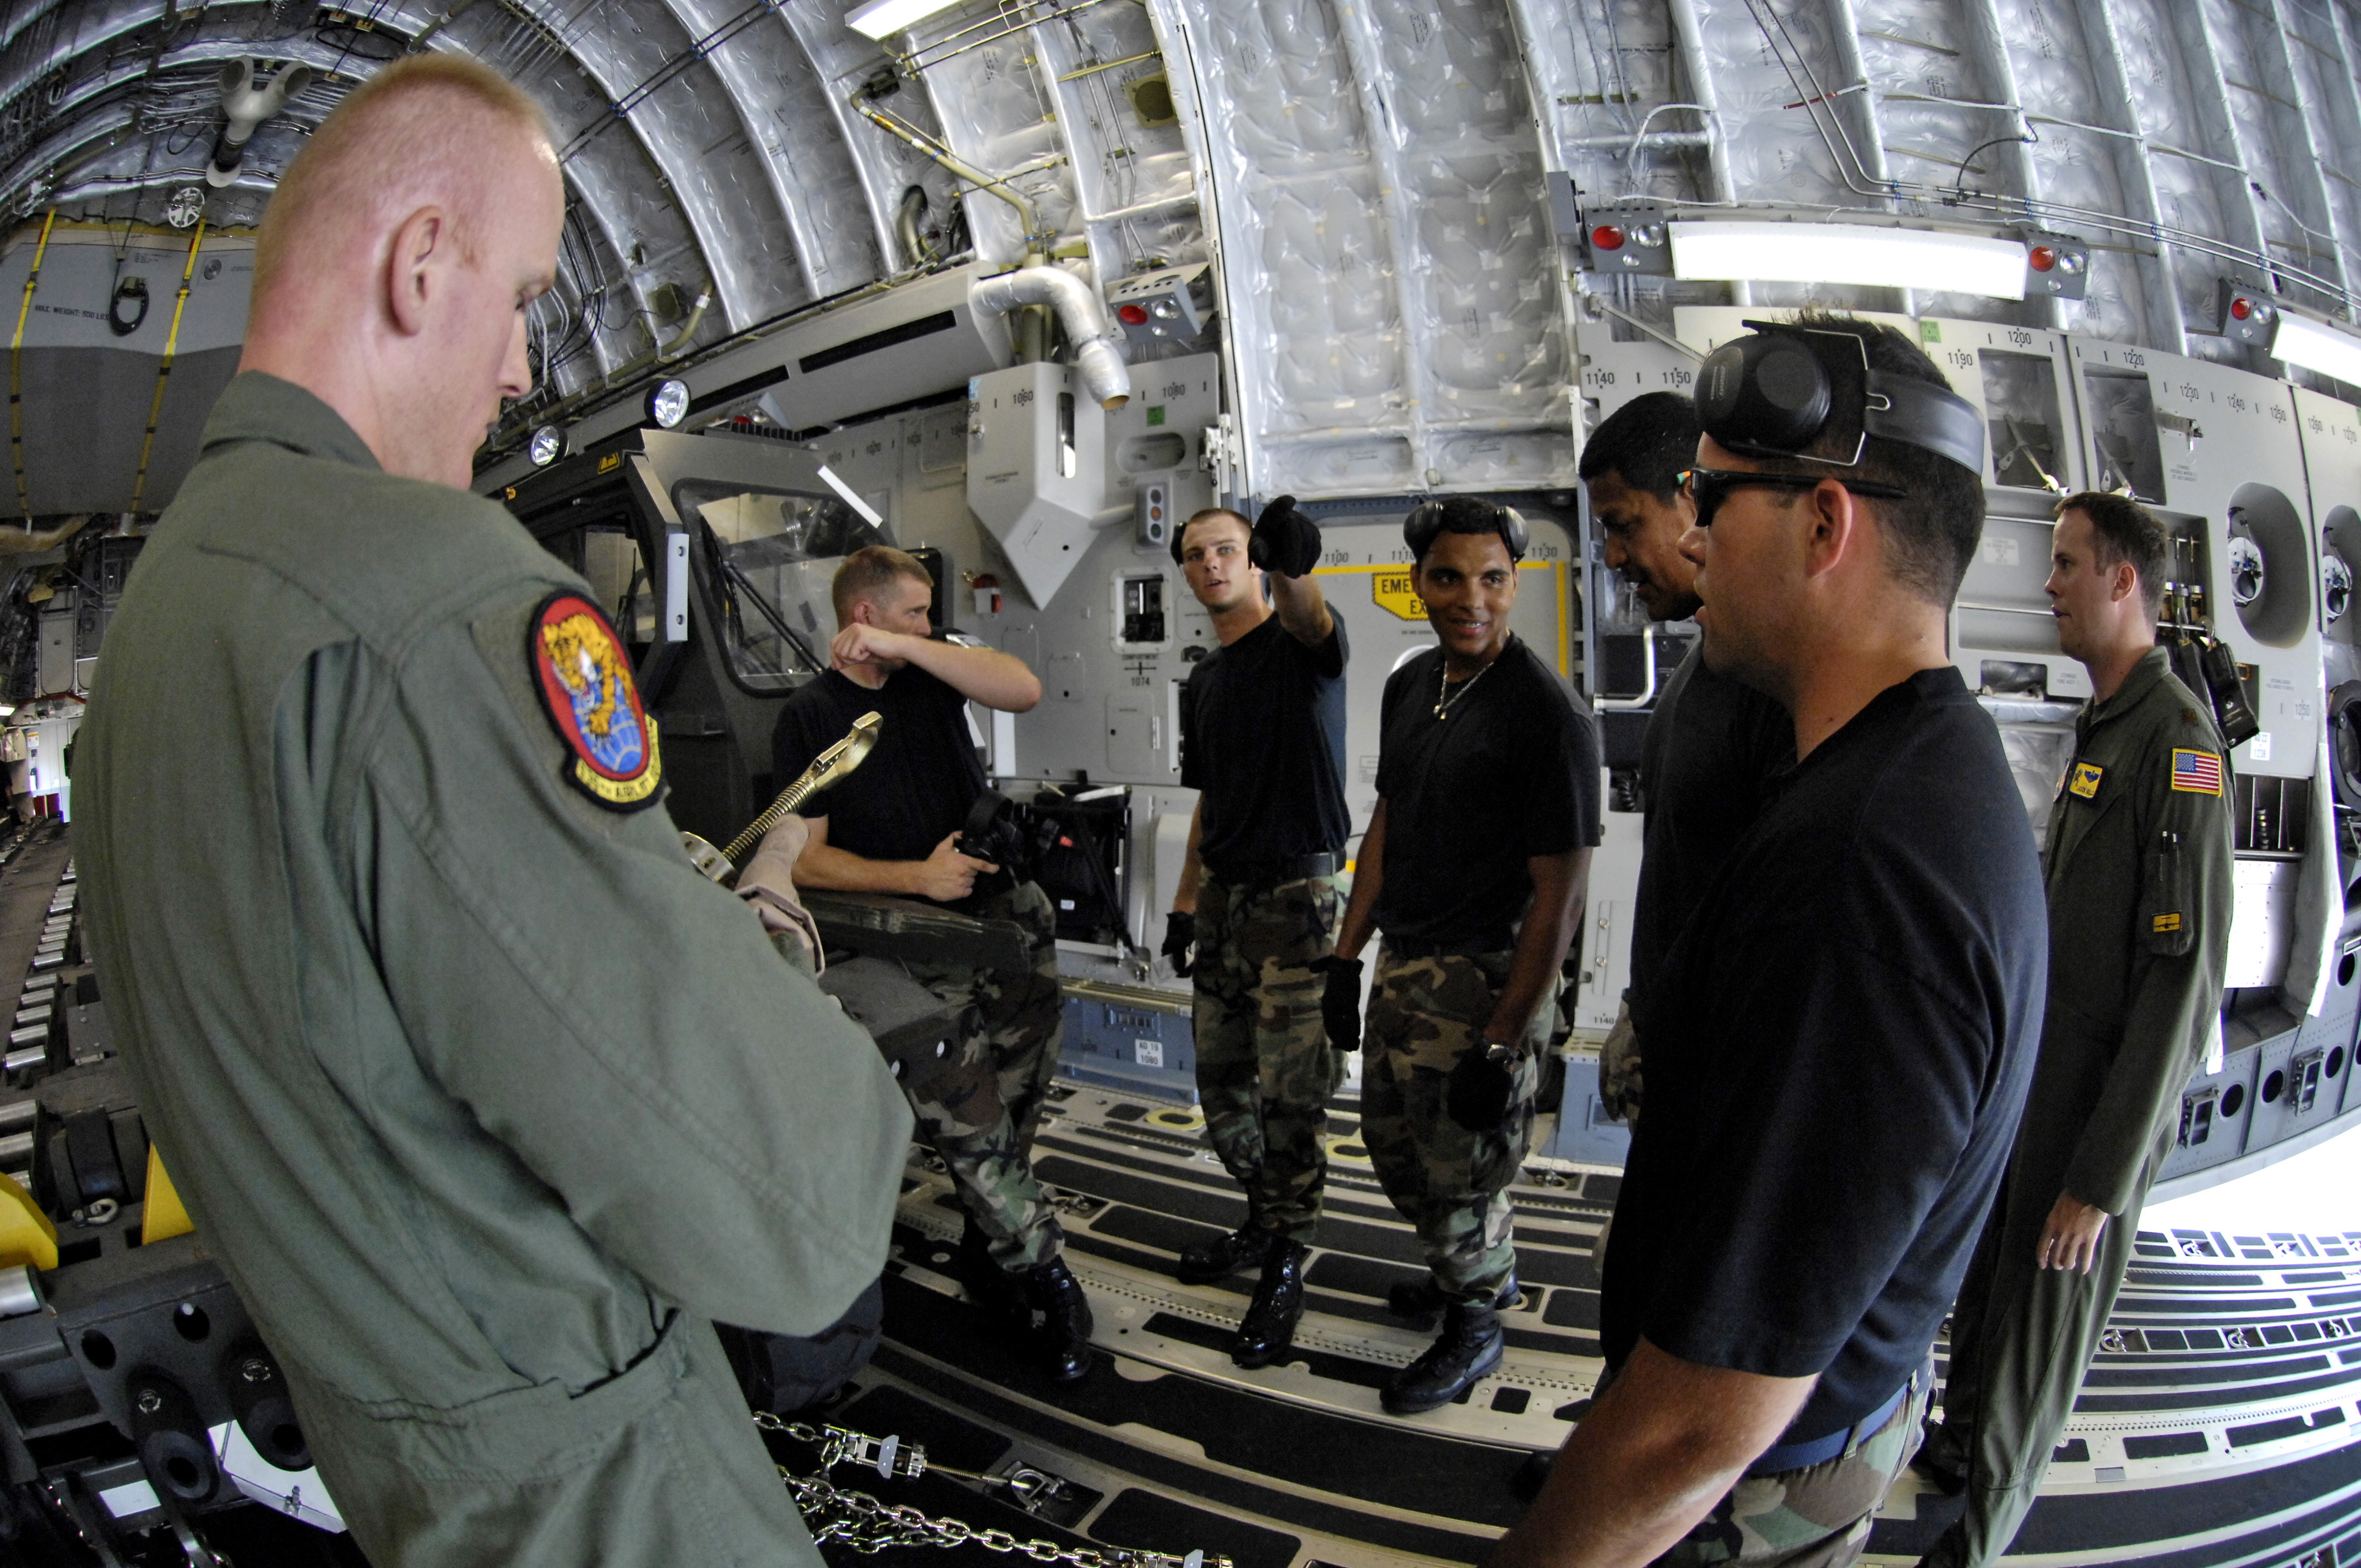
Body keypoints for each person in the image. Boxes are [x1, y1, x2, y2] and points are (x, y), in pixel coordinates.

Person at [72, 57, 911, 1568]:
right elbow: (794, 1211)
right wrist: (765, 937)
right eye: (523, 296)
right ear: (419, 264)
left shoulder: (161, 625)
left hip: (408, 1476)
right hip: (607, 1493)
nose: (524, 367)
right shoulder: (429, 595)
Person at [1492, 315, 2044, 1568]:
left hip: (1759, 1476)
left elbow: (1693, 1431)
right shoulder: (1917, 769)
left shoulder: (1862, 871)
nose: (1690, 538)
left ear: (1824, 524)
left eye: (1715, 499)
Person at [1912, 492, 2234, 1568]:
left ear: (2121, 581)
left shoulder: (2178, 747)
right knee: (1990, 1289)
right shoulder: (2108, 726)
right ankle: (1959, 1447)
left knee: (2042, 1327)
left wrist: (2100, 1180)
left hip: (2095, 1109)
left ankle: (1980, 1537)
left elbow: (2181, 985)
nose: (2048, 584)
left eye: (2065, 564)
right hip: (2037, 1087)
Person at [773, 546, 1094, 1380]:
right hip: (911, 940)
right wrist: (917, 877)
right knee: (970, 1113)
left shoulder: (927, 672)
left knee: (1021, 1094)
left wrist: (910, 647)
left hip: (1004, 920)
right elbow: (806, 859)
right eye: (912, 612)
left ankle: (996, 1243)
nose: (928, 624)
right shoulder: (811, 715)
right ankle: (1045, 1276)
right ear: (864, 614)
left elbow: (1021, 687)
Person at [1321, 497, 1600, 1415]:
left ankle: (1478, 1319)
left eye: (1492, 579)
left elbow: (1560, 900)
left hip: (1485, 975)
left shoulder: (1549, 716)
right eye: (1448, 578)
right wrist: (1345, 956)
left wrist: (1502, 1042)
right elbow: (1388, 824)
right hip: (1407, 964)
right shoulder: (1413, 684)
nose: (1470, 599)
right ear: (1418, 583)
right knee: (1394, 1146)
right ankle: (1467, 1270)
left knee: (1460, 1171)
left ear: (1516, 584)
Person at [1160, 498, 1349, 1368]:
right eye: (1196, 554)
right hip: (1226, 903)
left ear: (1253, 558)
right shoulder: (1204, 681)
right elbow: (1211, 801)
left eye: (1227, 549)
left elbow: (1310, 616)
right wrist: (1183, 903)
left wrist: (1293, 564)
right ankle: (1266, 1219)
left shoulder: (1301, 648)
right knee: (1223, 1087)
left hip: (1297, 904)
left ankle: (1285, 1263)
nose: (1211, 564)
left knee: (1292, 1099)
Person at [1579, 392, 1789, 1123]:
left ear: (1691, 497)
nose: (1612, 556)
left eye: (1625, 525)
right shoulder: (1704, 671)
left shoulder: (1772, 689)